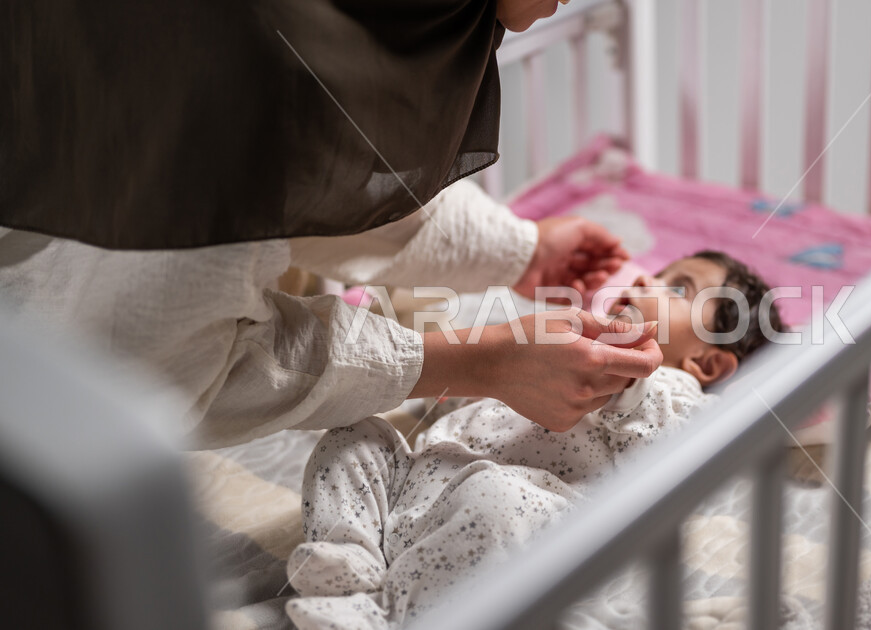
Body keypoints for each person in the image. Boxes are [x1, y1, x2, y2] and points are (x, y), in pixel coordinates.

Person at [0, 0, 660, 447]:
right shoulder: (233, 62)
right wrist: (477, 363)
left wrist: (521, 251)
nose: (559, 5)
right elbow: (149, 373)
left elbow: (318, 166)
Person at [282, 251, 782, 629]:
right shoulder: (566, 345)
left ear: (706, 362)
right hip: (415, 487)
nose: (644, 279)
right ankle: (352, 574)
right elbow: (478, 385)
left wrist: (626, 379)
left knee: (496, 497)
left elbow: (653, 434)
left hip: (503, 524)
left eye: (677, 288)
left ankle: (387, 616)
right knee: (357, 436)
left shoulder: (682, 397)